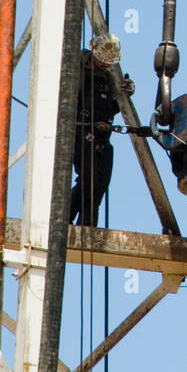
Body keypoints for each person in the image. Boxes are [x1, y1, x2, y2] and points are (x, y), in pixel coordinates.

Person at [69, 33, 135, 227]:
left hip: (102, 138)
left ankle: (88, 225)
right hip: (81, 133)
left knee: (100, 184)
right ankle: (65, 218)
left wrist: (124, 96)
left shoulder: (107, 78)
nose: (106, 64)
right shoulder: (78, 69)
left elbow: (107, 108)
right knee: (88, 179)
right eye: (103, 59)